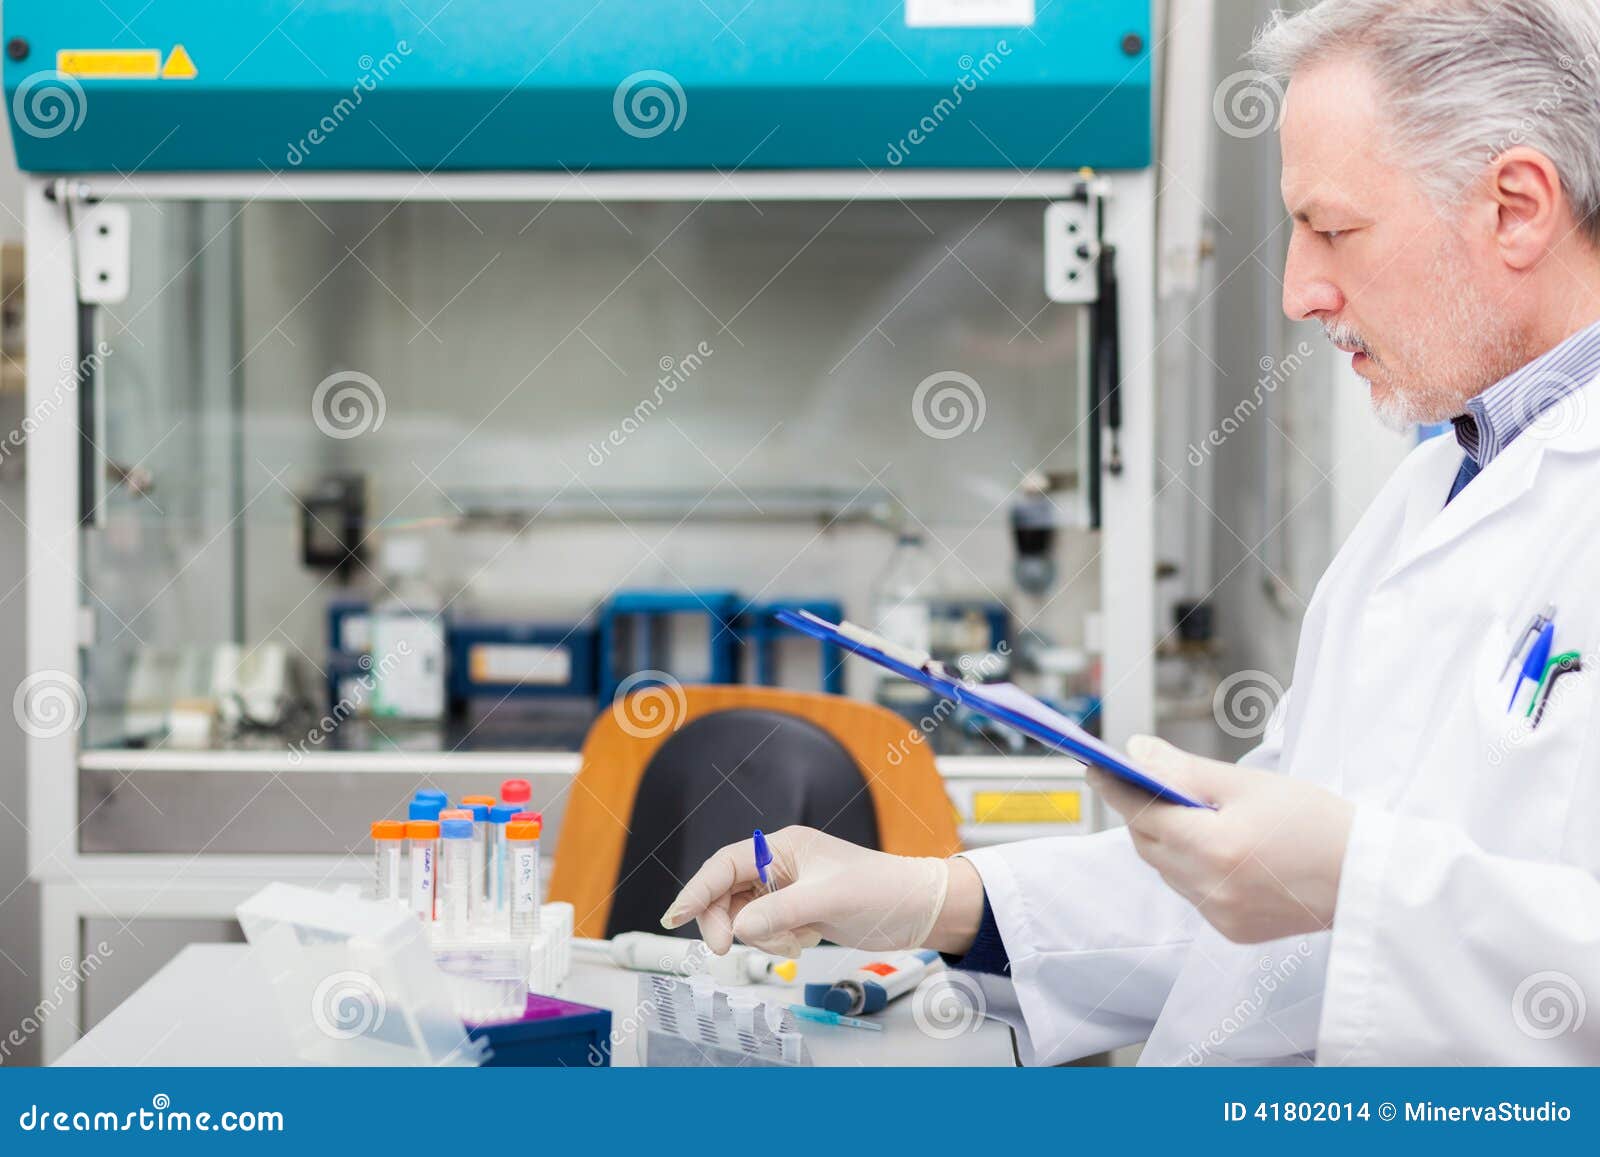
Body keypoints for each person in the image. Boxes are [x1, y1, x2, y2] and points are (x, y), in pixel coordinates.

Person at [664, 0, 1600, 1065]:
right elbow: (1258, 913)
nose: (1300, 290)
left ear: (1517, 208)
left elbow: (1368, 900)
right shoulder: (1440, 481)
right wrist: (938, 898)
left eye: (1333, 229)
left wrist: (1354, 872)